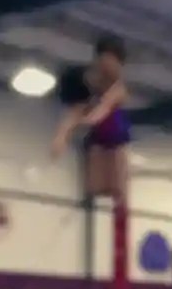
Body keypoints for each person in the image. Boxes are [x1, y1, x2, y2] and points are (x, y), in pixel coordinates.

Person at [52, 36, 131, 203]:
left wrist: (87, 120)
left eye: (112, 67)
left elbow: (103, 109)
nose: (108, 71)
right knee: (96, 186)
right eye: (104, 65)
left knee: (117, 187)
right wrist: (62, 136)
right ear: (98, 62)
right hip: (96, 132)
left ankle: (119, 191)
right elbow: (75, 112)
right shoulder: (87, 83)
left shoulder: (118, 88)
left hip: (113, 134)